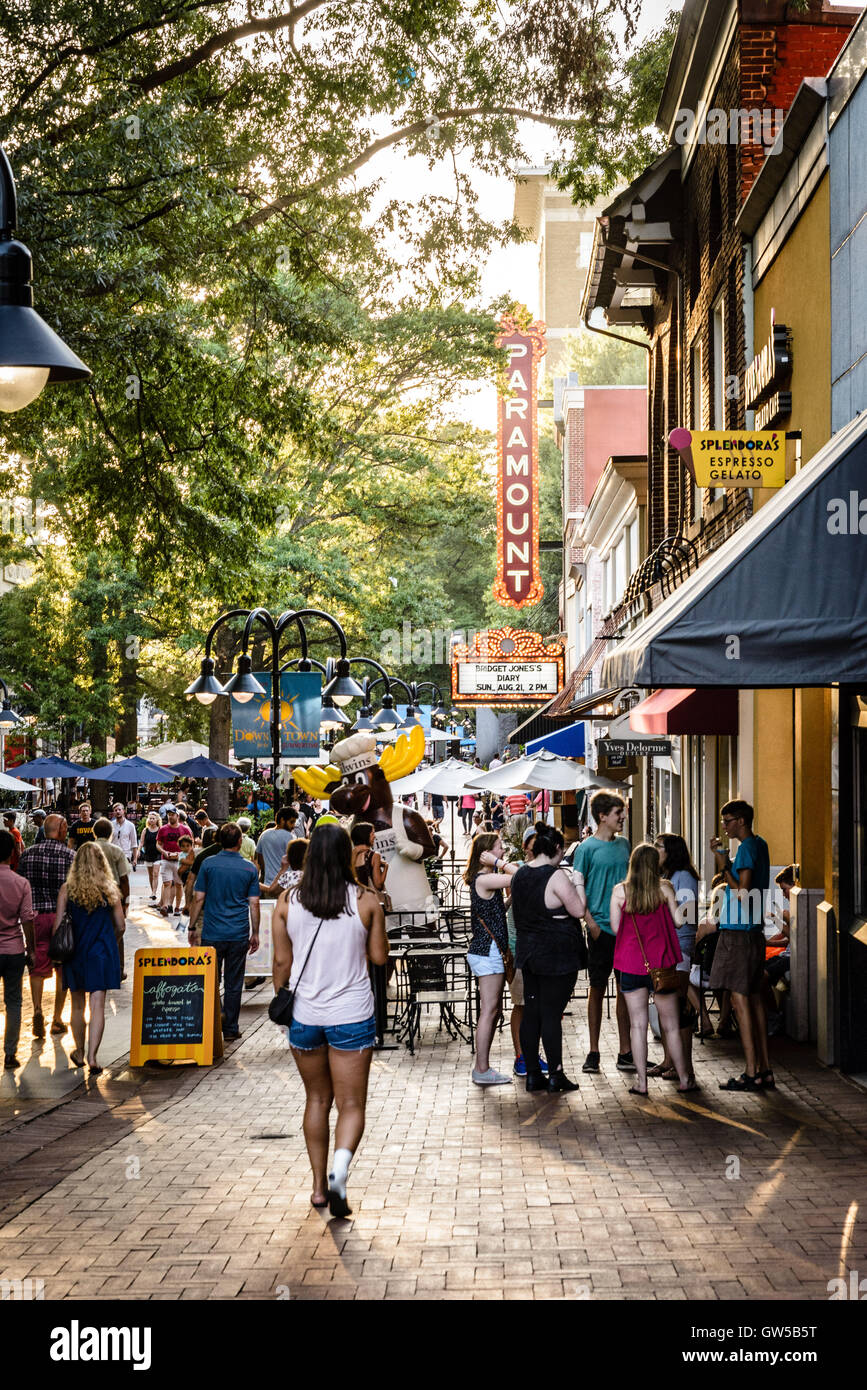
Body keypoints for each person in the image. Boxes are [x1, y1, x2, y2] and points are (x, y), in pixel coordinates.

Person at [271, 823, 387, 1218]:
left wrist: (282, 1001)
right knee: (351, 1103)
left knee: (317, 1100)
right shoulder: (366, 900)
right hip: (352, 1014)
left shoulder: (287, 900)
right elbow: (379, 959)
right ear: (346, 855)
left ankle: (319, 1188)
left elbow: (281, 964)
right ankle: (340, 1170)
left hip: (305, 1014)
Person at [609, 843, 694, 1096]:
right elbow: (679, 923)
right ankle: (684, 1080)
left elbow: (615, 928)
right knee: (670, 1025)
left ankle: (642, 1083)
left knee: (637, 1025)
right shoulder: (665, 888)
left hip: (631, 964)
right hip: (662, 965)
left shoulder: (619, 892)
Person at [509, 826, 587, 1093]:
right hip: (556, 955)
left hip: (528, 953)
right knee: (552, 1015)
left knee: (532, 1014)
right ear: (554, 849)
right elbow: (578, 910)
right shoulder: (556, 876)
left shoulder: (520, 874)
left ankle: (533, 1074)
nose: (563, 854)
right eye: (562, 849)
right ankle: (555, 1074)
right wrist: (578, 883)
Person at [702, 799, 772, 1091]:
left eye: (728, 820)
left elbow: (741, 891)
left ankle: (751, 1071)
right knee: (753, 999)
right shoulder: (761, 845)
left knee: (739, 1000)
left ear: (741, 821)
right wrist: (724, 859)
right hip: (753, 930)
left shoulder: (745, 848)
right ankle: (764, 1069)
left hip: (738, 931)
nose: (724, 825)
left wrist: (722, 865)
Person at [569, 791, 634, 1075]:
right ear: (602, 816)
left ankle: (625, 1051)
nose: (623, 817)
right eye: (618, 813)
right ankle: (593, 1051)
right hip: (600, 928)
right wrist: (590, 922)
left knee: (625, 990)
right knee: (596, 988)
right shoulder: (586, 849)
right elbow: (576, 887)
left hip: (627, 928)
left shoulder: (625, 845)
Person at [189, 822, 260, 1040]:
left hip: (212, 931)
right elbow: (254, 903)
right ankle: (230, 1028)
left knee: (210, 980)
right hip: (238, 932)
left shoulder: (208, 865)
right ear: (240, 841)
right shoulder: (249, 868)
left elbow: (198, 897)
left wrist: (192, 926)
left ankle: (210, 1024)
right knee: (234, 982)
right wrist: (255, 932)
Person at [57, 841, 124, 1074]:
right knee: (98, 1006)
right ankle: (94, 1056)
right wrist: (110, 942)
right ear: (100, 862)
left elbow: (58, 926)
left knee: (77, 1005)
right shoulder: (110, 888)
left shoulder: (67, 889)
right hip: (102, 951)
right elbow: (121, 925)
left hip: (76, 952)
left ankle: (79, 1050)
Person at [464, 832, 516, 1086]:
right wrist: (499, 864)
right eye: (499, 848)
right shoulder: (485, 878)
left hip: (488, 949)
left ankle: (483, 1067)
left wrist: (508, 902)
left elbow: (493, 913)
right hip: (489, 951)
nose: (503, 851)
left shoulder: (483, 880)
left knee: (492, 1010)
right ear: (486, 853)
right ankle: (481, 1068)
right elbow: (522, 875)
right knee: (490, 1010)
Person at [18, 813, 75, 1038]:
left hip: (36, 917)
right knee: (63, 968)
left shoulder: (28, 855)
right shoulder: (71, 856)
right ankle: (57, 1018)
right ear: (61, 830)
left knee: (36, 964)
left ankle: (38, 1010)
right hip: (62, 919)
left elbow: (22, 886)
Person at [650, 834, 700, 1083]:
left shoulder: (684, 877)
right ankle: (669, 1060)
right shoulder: (669, 876)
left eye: (658, 847)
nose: (655, 850)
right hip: (667, 945)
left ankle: (682, 1065)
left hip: (679, 945)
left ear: (671, 851)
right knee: (665, 1004)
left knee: (677, 1006)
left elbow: (687, 913)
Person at [0, 829, 35, 1069]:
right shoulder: (21, 883)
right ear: (13, 854)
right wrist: (31, 949)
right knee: (13, 1001)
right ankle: (10, 1053)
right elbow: (26, 919)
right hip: (13, 950)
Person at [92, 818, 129, 979]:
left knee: (94, 931)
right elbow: (124, 879)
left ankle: (95, 965)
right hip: (114, 897)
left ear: (94, 832)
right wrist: (125, 901)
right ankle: (118, 969)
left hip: (91, 896)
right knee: (118, 932)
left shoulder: (87, 850)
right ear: (110, 833)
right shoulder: (116, 851)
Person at [763, 865, 796, 1034]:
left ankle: (773, 1017)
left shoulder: (796, 911)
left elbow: (794, 938)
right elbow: (787, 940)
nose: (784, 894)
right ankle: (772, 1015)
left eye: (785, 889)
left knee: (761, 977)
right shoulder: (791, 911)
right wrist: (768, 942)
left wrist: (778, 919)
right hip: (786, 955)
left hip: (791, 958)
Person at [156, 808, 188, 917]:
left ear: (178, 816)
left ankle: (177, 907)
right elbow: (158, 844)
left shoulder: (185, 829)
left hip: (180, 861)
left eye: (173, 814)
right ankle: (165, 906)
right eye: (169, 814)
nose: (170, 816)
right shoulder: (163, 829)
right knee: (167, 883)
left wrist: (181, 854)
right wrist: (164, 852)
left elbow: (190, 845)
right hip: (166, 859)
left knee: (179, 884)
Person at [256, 807, 298, 884]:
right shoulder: (290, 837)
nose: (293, 825)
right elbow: (295, 862)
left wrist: (267, 871)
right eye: (291, 822)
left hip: (268, 883)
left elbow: (260, 858)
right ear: (282, 820)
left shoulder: (264, 835)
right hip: (286, 884)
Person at [350, 822, 387, 894]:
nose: (375, 836)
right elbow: (378, 885)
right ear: (366, 836)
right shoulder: (374, 856)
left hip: (356, 899)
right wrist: (386, 866)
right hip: (371, 900)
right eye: (372, 833)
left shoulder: (348, 857)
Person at [139, 811, 162, 900]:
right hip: (148, 854)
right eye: (150, 818)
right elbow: (141, 842)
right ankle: (153, 891)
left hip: (157, 854)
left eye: (153, 818)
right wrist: (138, 851)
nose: (151, 820)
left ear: (157, 820)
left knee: (155, 873)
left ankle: (154, 892)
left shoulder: (160, 830)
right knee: (151, 875)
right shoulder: (145, 830)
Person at [110, 803, 138, 869]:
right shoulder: (110, 825)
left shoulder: (130, 825)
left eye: (119, 810)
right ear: (113, 812)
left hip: (126, 855)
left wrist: (135, 859)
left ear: (123, 811)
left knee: (124, 878)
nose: (118, 812)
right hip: (113, 855)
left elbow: (134, 843)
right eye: (115, 810)